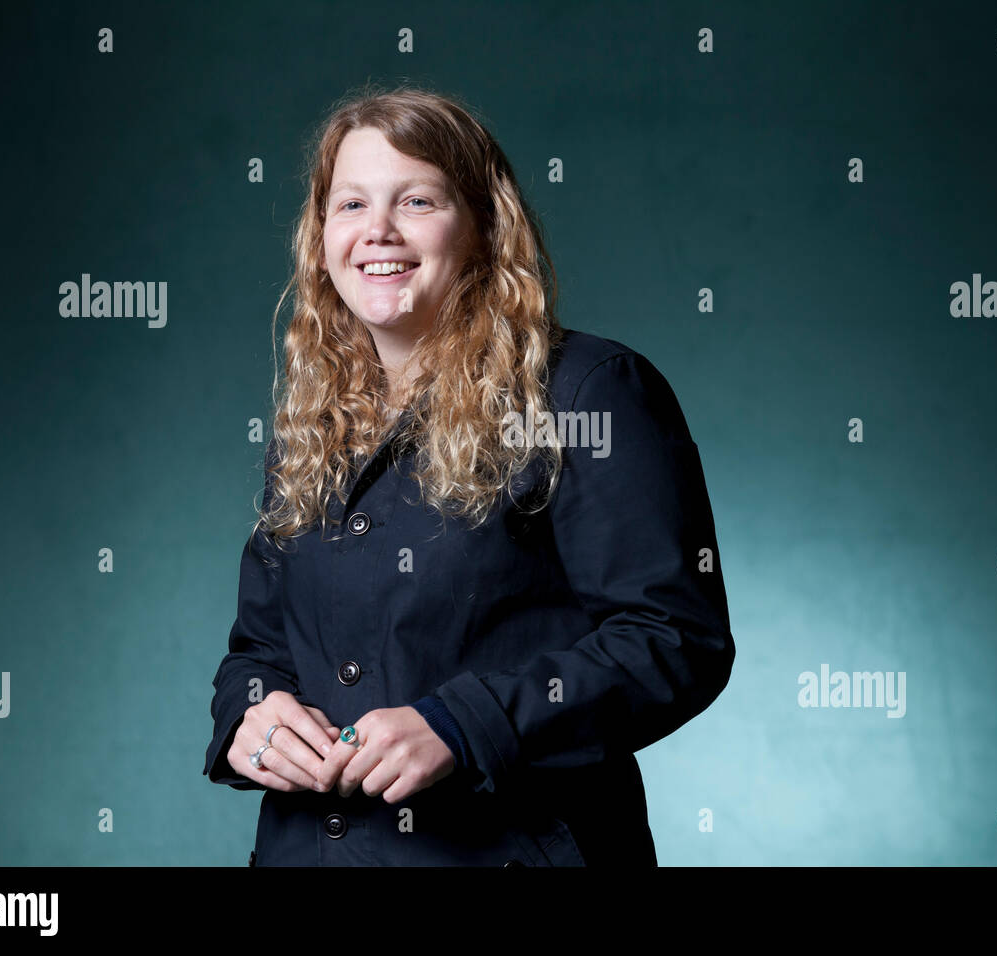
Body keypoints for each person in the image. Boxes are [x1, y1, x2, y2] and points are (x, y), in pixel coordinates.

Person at [201, 86, 735, 866]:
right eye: (350, 204)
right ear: (321, 239)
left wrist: (464, 725)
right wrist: (251, 717)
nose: (377, 230)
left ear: (484, 226)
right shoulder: (312, 423)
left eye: (416, 200)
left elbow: (674, 640)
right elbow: (260, 648)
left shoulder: (585, 390)